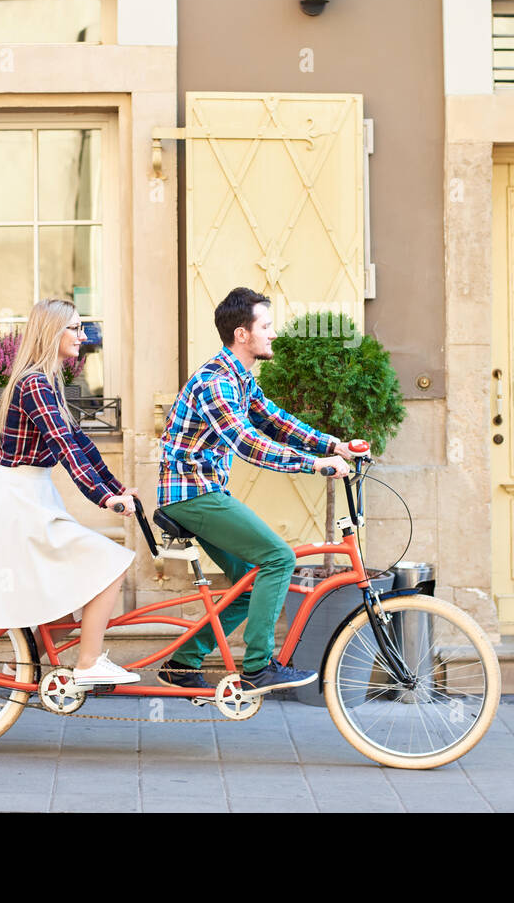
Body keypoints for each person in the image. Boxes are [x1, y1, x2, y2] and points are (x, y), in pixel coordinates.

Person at [154, 286, 365, 694]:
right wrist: (314, 464)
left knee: (251, 580)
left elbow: (274, 420)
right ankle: (257, 668)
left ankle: (182, 664)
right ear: (242, 335)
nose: (273, 334)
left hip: (203, 492)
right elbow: (248, 443)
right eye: (265, 326)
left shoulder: (239, 377)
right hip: (191, 495)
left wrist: (333, 445)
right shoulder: (216, 382)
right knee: (278, 557)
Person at [0, 298, 141, 689]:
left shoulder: (48, 382)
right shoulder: (35, 383)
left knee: (58, 612)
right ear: (51, 331)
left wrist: (117, 488)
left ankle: (17, 667)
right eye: (74, 328)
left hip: (31, 496)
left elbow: (80, 443)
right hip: (20, 501)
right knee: (112, 563)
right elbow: (64, 447)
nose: (83, 335)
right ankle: (88, 664)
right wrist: (104, 499)